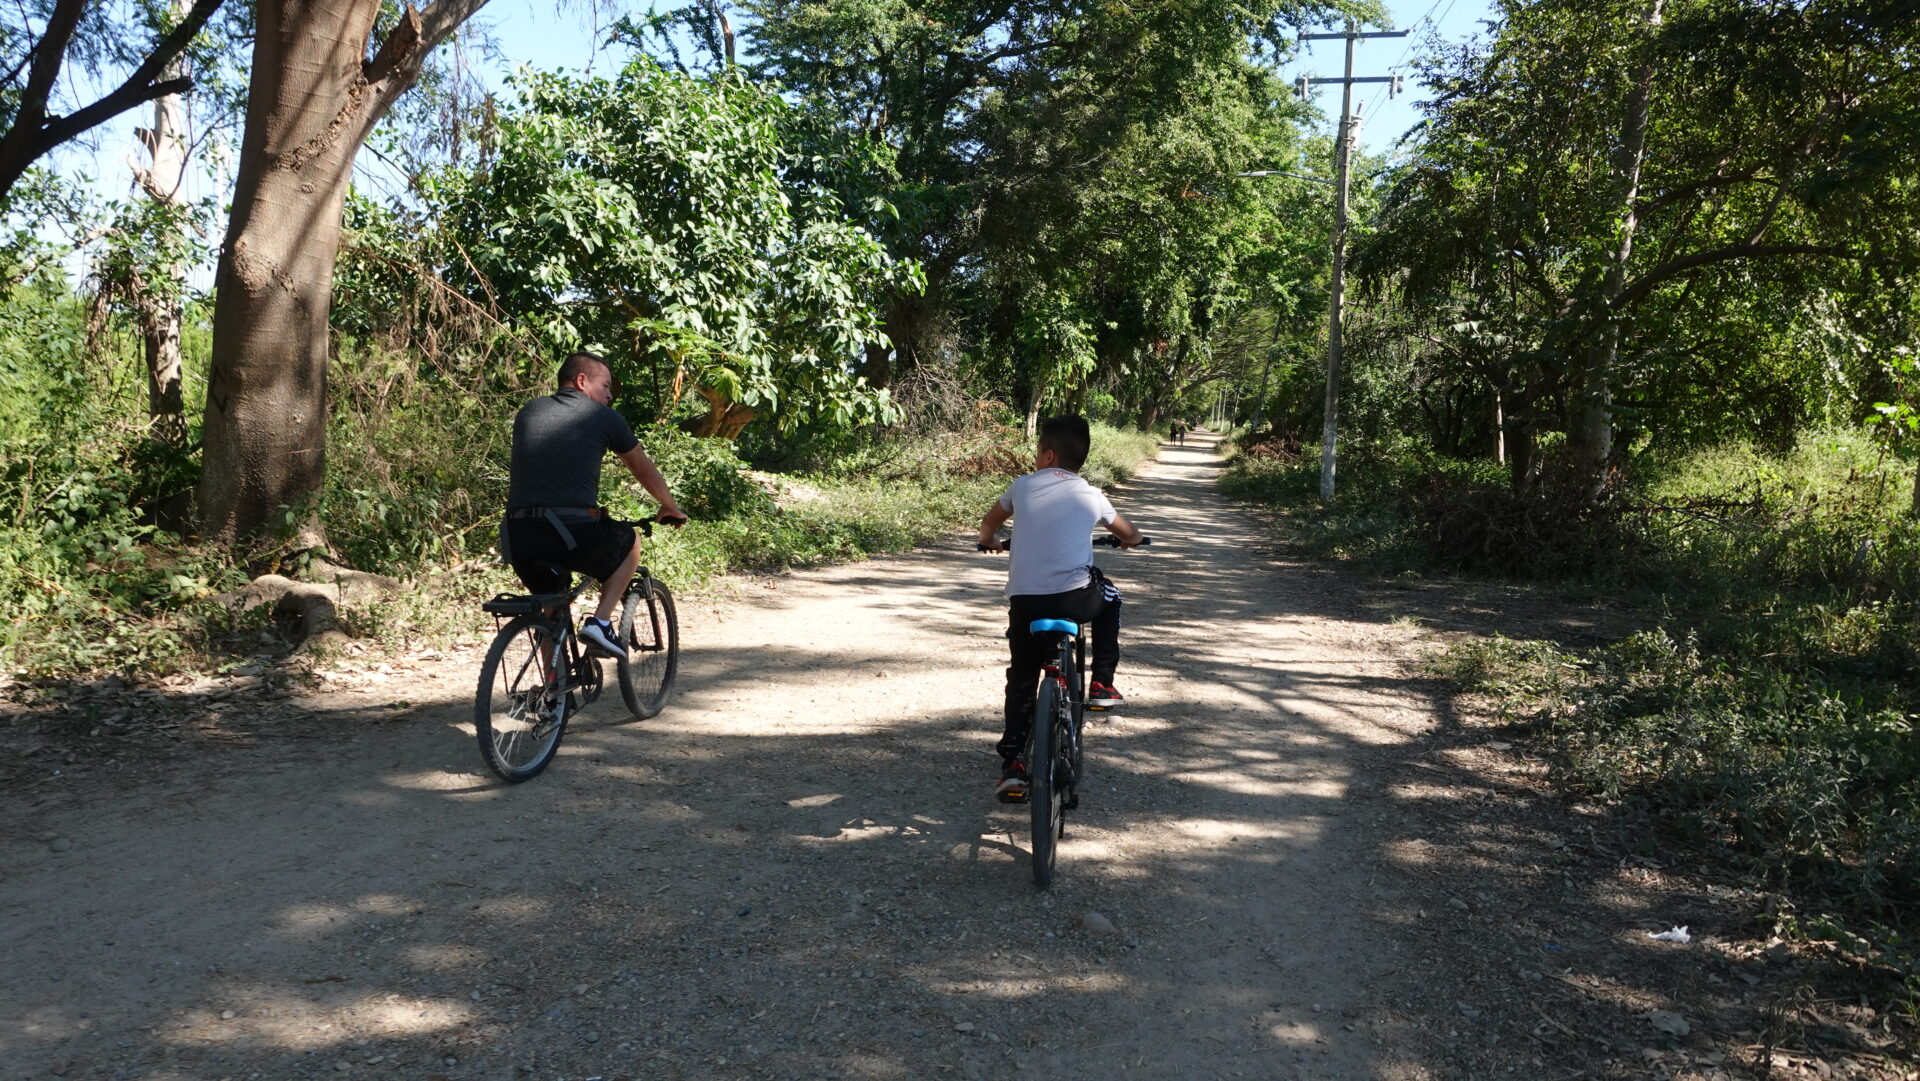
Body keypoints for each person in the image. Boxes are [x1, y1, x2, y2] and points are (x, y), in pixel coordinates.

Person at [976, 415, 1143, 802]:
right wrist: (1129, 542)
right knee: (1111, 596)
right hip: (1074, 599)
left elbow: (990, 525)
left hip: (1026, 604)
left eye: (1037, 452)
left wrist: (991, 541)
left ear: (1048, 454)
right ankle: (1102, 682)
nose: (1035, 458)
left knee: (1022, 675)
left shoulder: (1021, 487)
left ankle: (1014, 764)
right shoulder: (1090, 494)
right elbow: (1129, 533)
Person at [502, 351, 687, 658]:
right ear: (582, 380)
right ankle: (600, 623)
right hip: (568, 532)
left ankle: (551, 694)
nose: (610, 395)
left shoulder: (529, 410)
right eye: (606, 386)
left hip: (517, 534)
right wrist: (670, 505)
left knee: (551, 605)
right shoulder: (601, 417)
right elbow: (642, 468)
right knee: (631, 542)